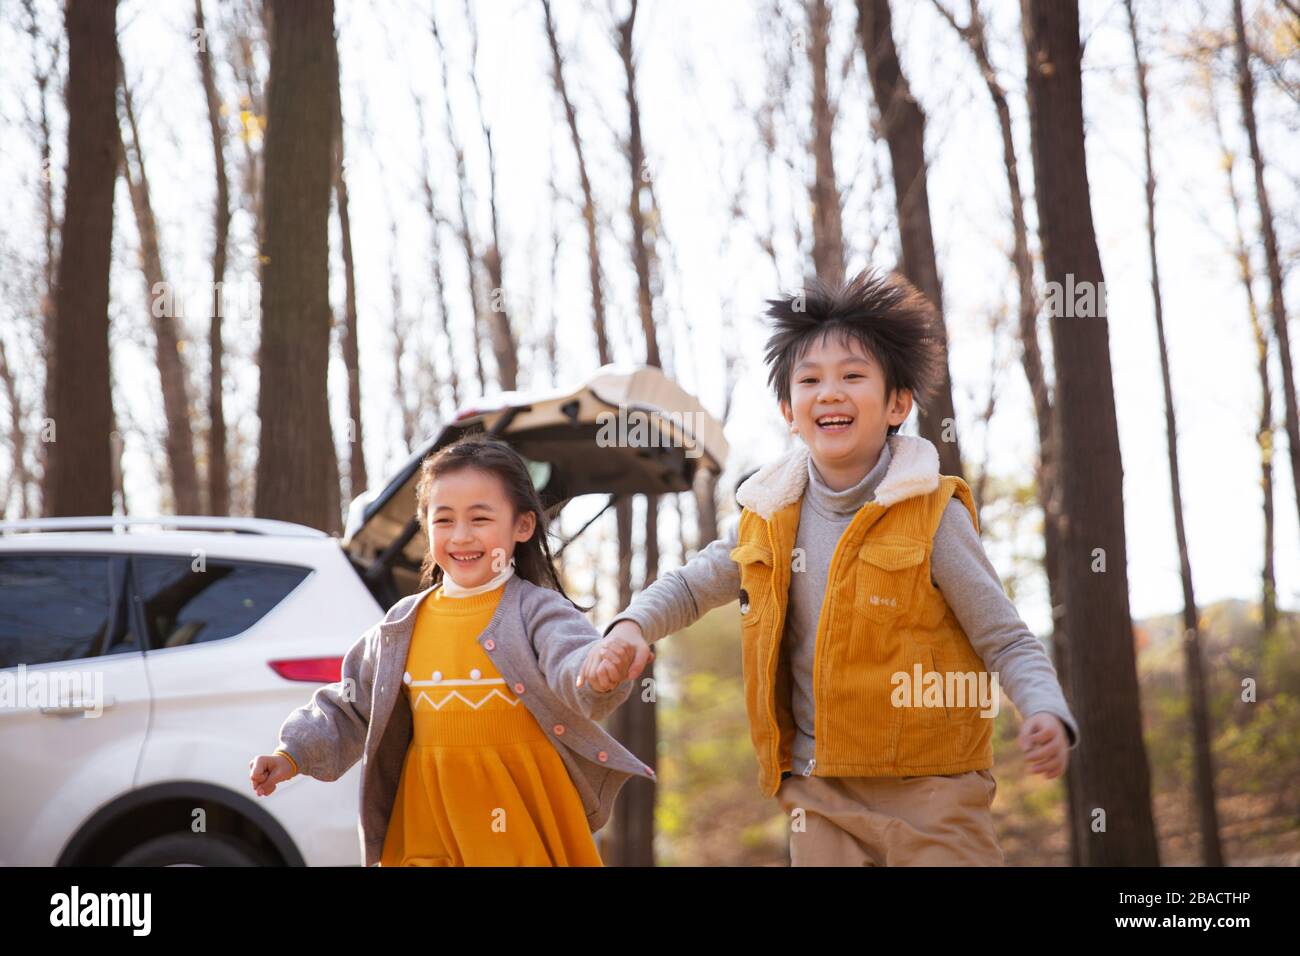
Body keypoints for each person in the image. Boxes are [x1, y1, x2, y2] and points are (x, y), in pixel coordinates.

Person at [583, 268, 1079, 866]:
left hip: (934, 788)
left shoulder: (931, 514)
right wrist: (631, 625)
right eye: (810, 380)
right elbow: (690, 585)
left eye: (852, 376)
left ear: (897, 403)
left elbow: (1004, 637)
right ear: (790, 410)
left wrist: (1046, 709)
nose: (830, 392)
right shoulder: (768, 514)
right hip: (817, 792)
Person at [250, 434, 653, 866]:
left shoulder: (537, 611)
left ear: (522, 525)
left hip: (518, 818)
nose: (461, 536)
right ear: (426, 526)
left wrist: (595, 672)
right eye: (444, 520)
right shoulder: (402, 623)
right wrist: (291, 754)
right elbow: (350, 706)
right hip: (428, 816)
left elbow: (572, 661)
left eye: (480, 519)